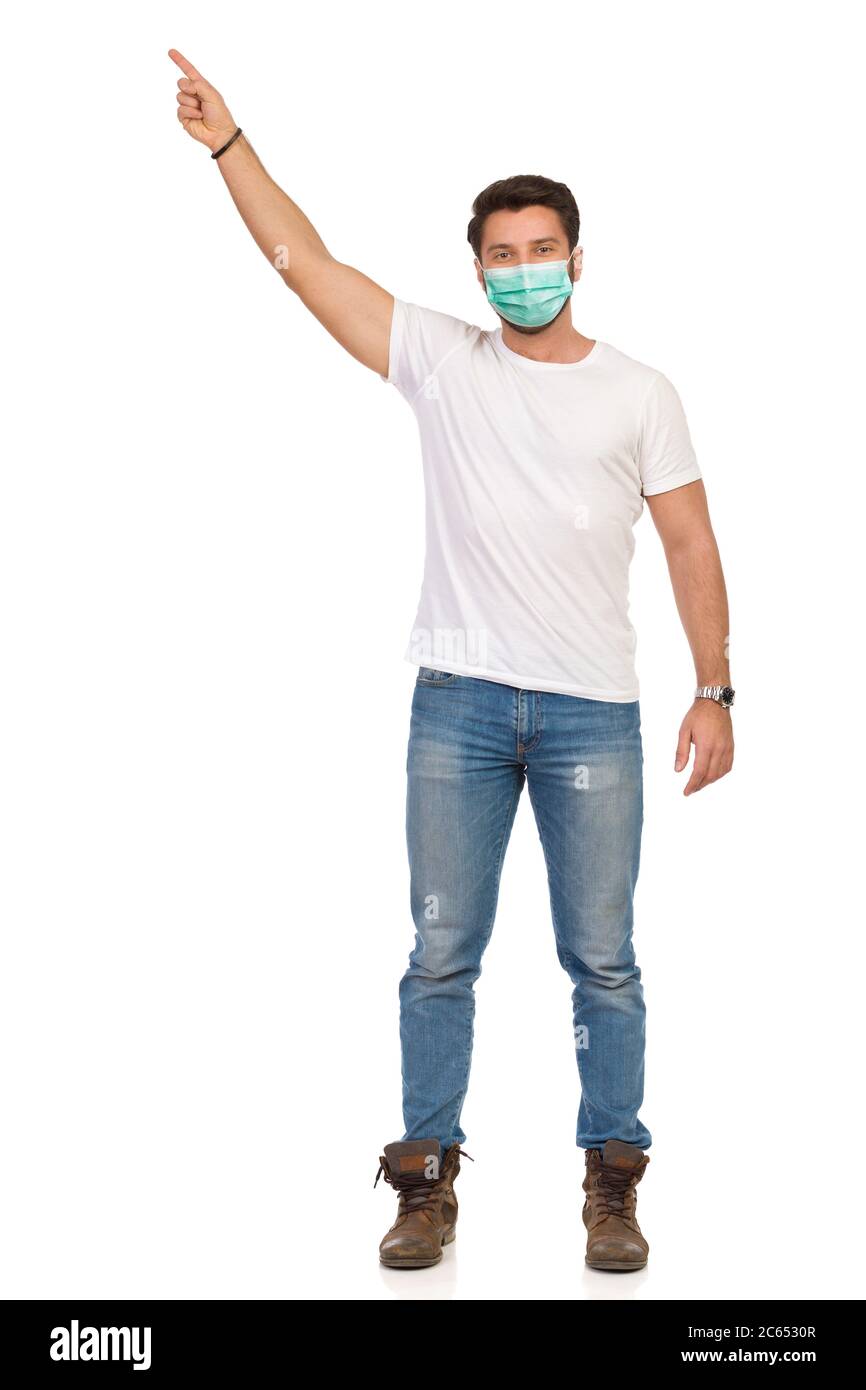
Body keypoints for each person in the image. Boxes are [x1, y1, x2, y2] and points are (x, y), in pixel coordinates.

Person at [169, 48, 735, 1273]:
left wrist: (715, 685)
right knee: (438, 953)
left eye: (543, 251)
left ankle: (612, 1180)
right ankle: (423, 1182)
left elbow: (689, 539)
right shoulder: (440, 361)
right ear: (474, 268)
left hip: (593, 715)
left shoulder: (641, 393)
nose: (522, 272)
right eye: (501, 254)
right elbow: (305, 264)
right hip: (459, 711)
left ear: (575, 261)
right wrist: (230, 148)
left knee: (603, 960)